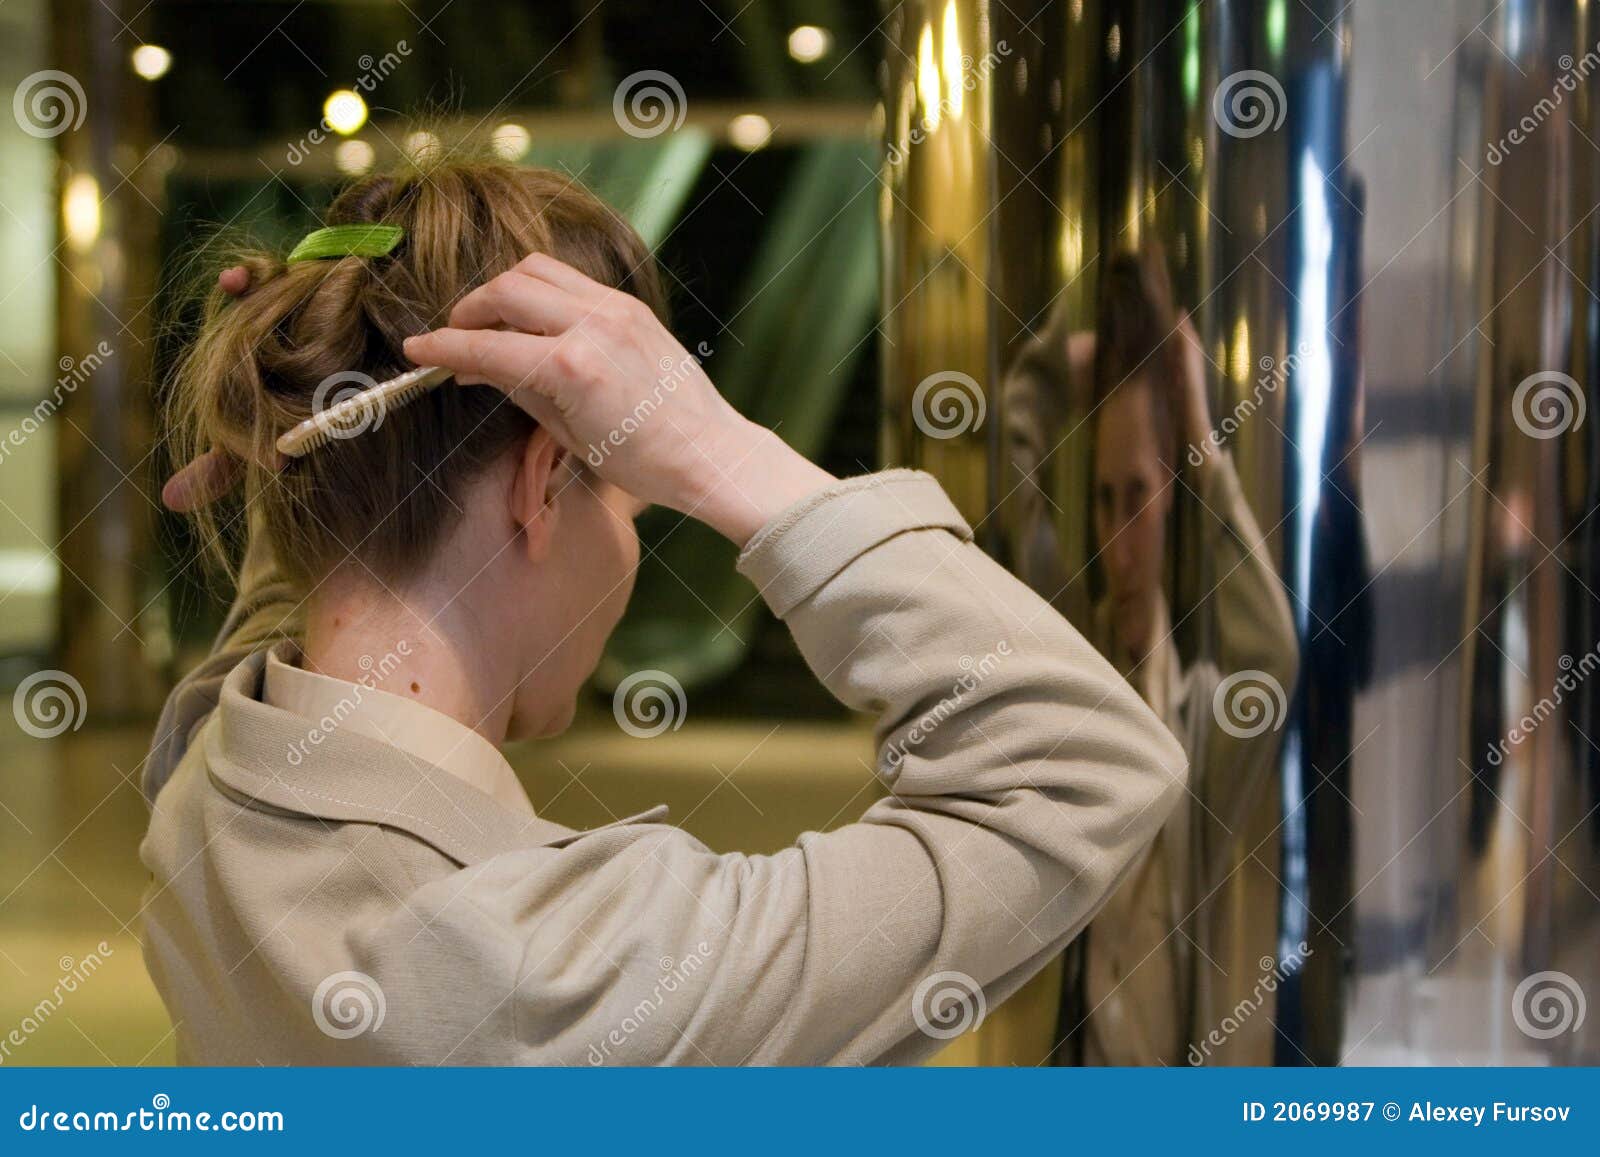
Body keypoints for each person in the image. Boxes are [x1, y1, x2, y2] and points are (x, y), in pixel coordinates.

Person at [140, 158, 1188, 1065]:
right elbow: (1081, 763)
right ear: (543, 485)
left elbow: (314, 613)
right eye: (629, 496)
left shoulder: (210, 791)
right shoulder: (577, 975)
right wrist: (719, 450)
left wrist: (316, 463)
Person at [1002, 246, 1299, 1065]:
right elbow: (1014, 497)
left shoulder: (1199, 717)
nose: (1119, 532)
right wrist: (1052, 373)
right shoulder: (1066, 670)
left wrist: (1202, 439)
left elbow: (1271, 655)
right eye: (1103, 500)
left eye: (1138, 495)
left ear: (1172, 498)